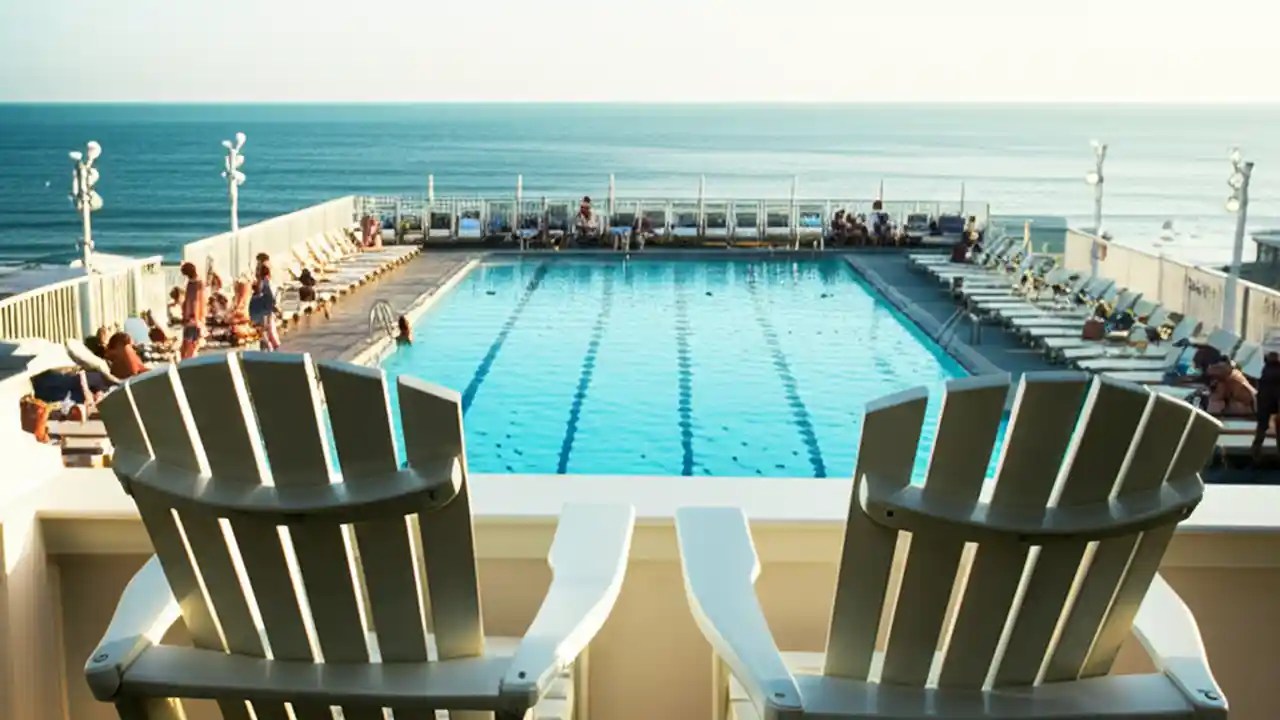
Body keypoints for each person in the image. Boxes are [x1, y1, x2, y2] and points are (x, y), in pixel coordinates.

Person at [1253, 351, 1280, 463]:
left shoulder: (1264, 371)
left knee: (1261, 429)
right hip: (1277, 402)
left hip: (1264, 403)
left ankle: (1256, 453)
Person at [249, 261, 281, 351]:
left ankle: (269, 348)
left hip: (260, 309)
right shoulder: (266, 282)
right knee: (267, 331)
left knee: (264, 331)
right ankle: (271, 348)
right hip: (264, 309)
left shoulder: (262, 282)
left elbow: (263, 294)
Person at [179, 262, 206, 360]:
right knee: (191, 344)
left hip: (192, 318)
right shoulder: (198, 283)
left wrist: (190, 316)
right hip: (196, 318)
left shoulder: (194, 284)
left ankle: (187, 362)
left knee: (189, 344)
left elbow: (194, 301)